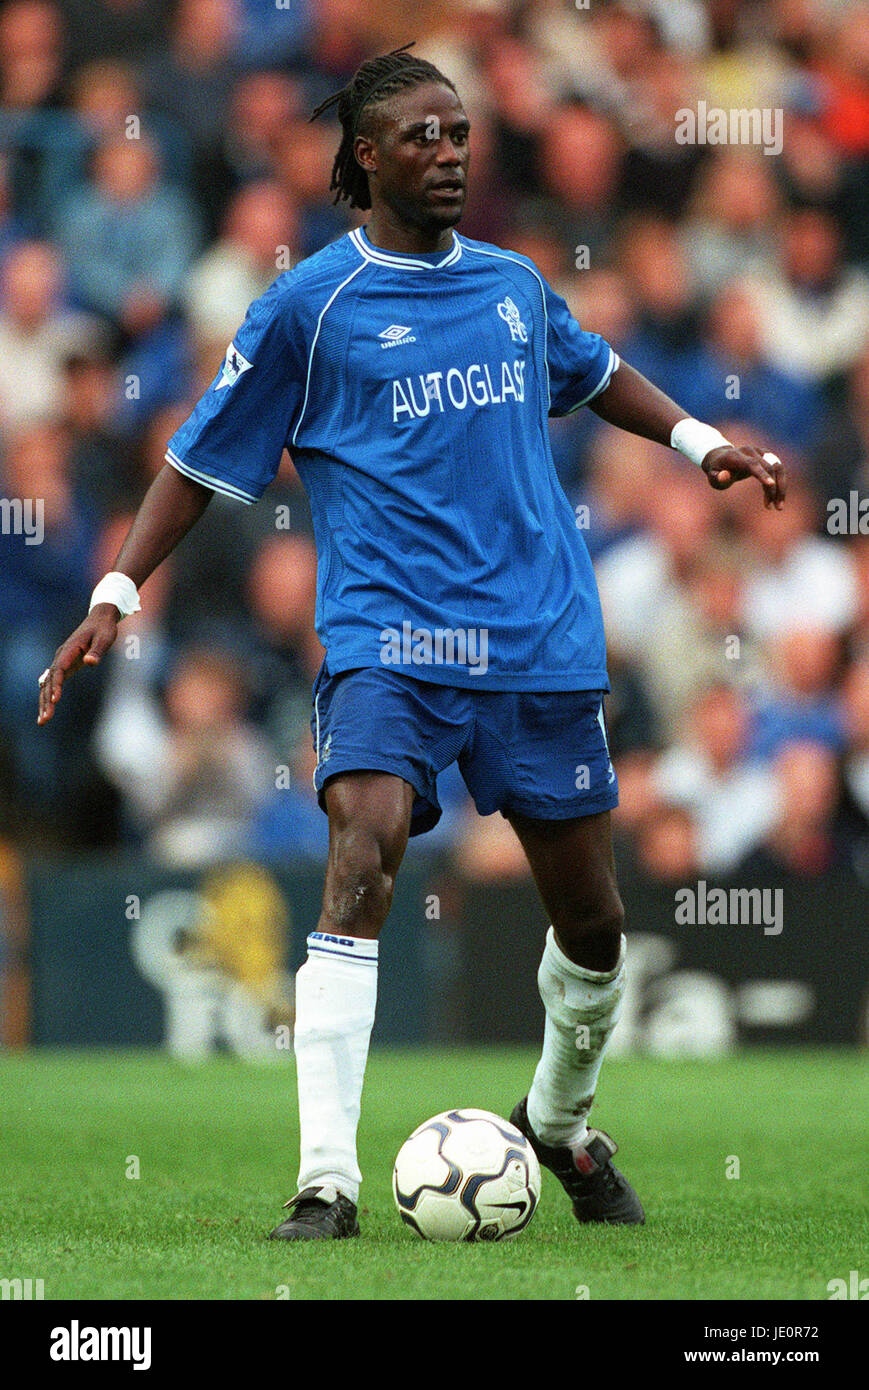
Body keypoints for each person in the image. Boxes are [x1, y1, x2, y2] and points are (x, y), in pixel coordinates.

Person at [37, 45, 786, 1241]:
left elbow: (595, 376)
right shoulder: (308, 305)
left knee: (591, 922)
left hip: (537, 637)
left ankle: (557, 1120)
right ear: (364, 158)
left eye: (459, 138)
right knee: (363, 846)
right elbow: (194, 458)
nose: (447, 156)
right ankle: (324, 1181)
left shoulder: (511, 283)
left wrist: (699, 440)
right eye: (423, 139)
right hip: (388, 637)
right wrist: (119, 585)